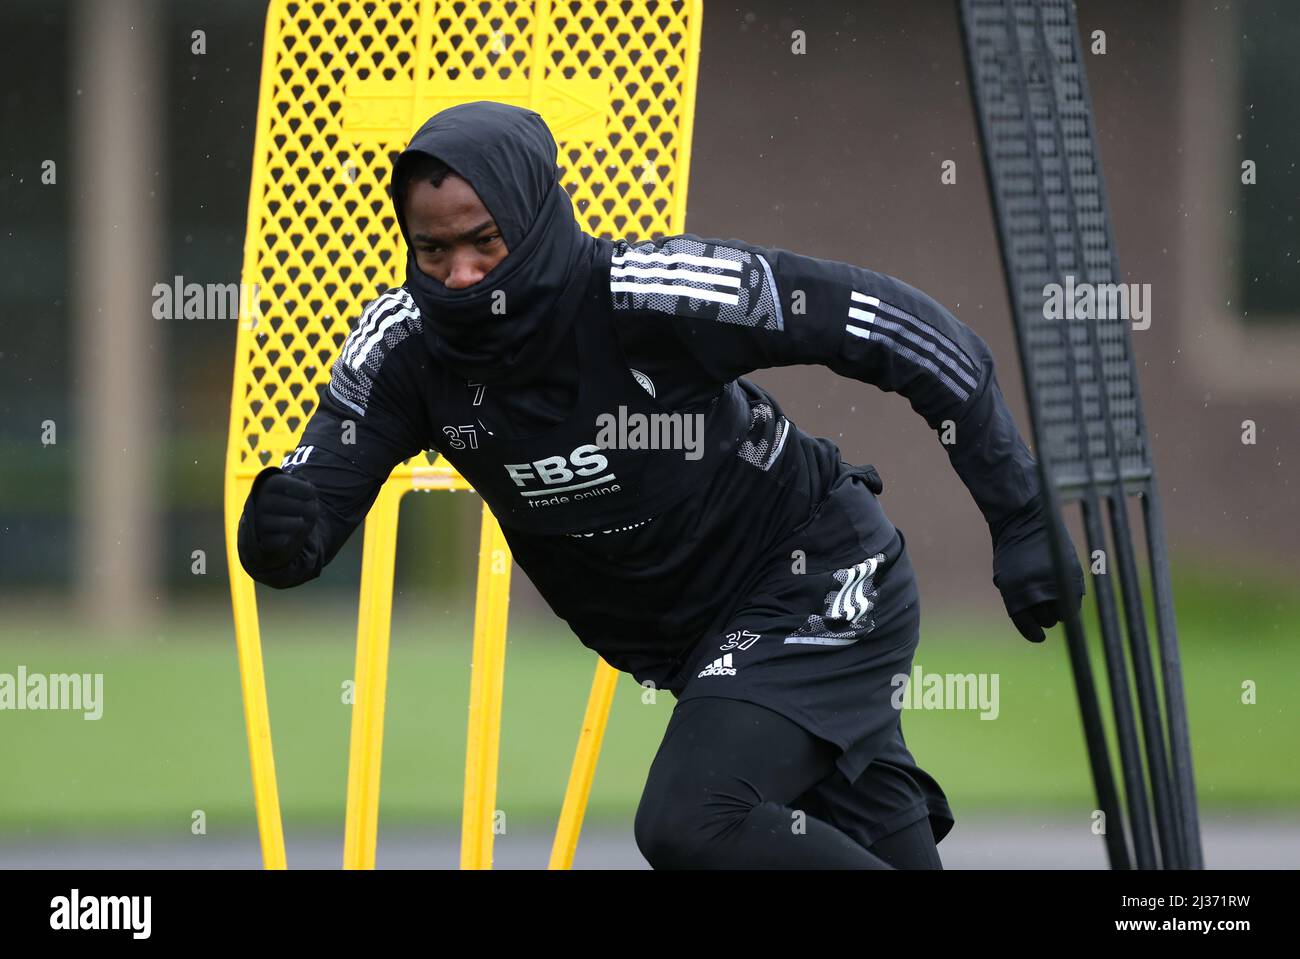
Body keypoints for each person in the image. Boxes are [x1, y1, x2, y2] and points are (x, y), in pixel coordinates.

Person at [237, 100, 1085, 869]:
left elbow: (909, 330)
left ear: (532, 223)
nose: (459, 274)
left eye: (483, 241)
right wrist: (277, 532)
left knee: (691, 818)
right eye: (433, 249)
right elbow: (313, 506)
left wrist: (1018, 513)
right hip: (701, 650)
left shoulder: (650, 296)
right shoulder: (405, 347)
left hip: (816, 582)